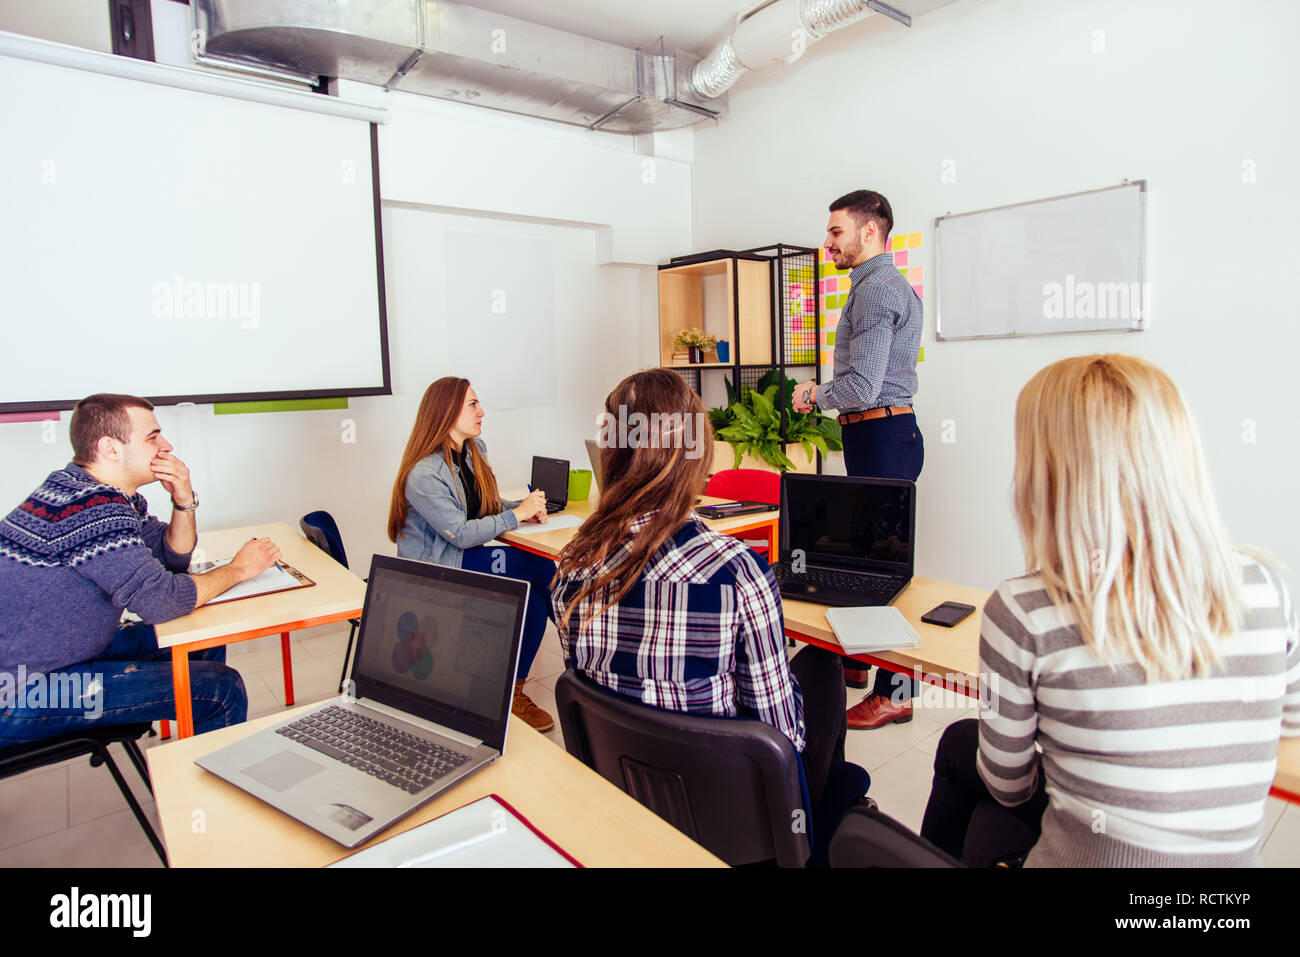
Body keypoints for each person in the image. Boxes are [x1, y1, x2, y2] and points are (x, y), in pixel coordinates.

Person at [919, 355, 1300, 867]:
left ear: (1047, 472)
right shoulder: (1267, 588)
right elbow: (1289, 730)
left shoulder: (1025, 610)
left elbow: (1009, 785)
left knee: (977, 782)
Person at [551, 369, 863, 848]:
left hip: (625, 805)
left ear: (612, 453)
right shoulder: (738, 573)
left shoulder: (572, 569)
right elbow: (781, 735)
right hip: (739, 828)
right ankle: (815, 835)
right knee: (822, 664)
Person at [0, 394, 278, 744]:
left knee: (202, 639)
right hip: (24, 690)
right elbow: (161, 601)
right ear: (110, 448)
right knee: (221, 690)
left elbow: (169, 557)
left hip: (62, 657)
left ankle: (192, 757)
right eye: (153, 437)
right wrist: (239, 570)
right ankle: (203, 795)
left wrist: (183, 499)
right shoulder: (93, 510)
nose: (166, 445)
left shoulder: (87, 491)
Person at [792, 189, 924, 728]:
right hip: (881, 436)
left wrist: (812, 396)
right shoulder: (884, 286)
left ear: (870, 232)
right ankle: (858, 662)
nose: (828, 243)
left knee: (883, 564)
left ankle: (896, 692)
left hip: (881, 435)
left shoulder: (875, 293)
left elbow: (864, 385)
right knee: (866, 555)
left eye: (836, 232)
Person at [388, 377, 556, 732]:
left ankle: (512, 691)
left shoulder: (473, 451)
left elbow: (482, 508)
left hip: (463, 558)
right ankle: (586, 651)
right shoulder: (424, 474)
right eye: (472, 405)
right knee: (539, 566)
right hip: (439, 569)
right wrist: (516, 515)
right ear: (446, 411)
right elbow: (462, 534)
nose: (482, 412)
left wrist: (523, 507)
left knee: (537, 601)